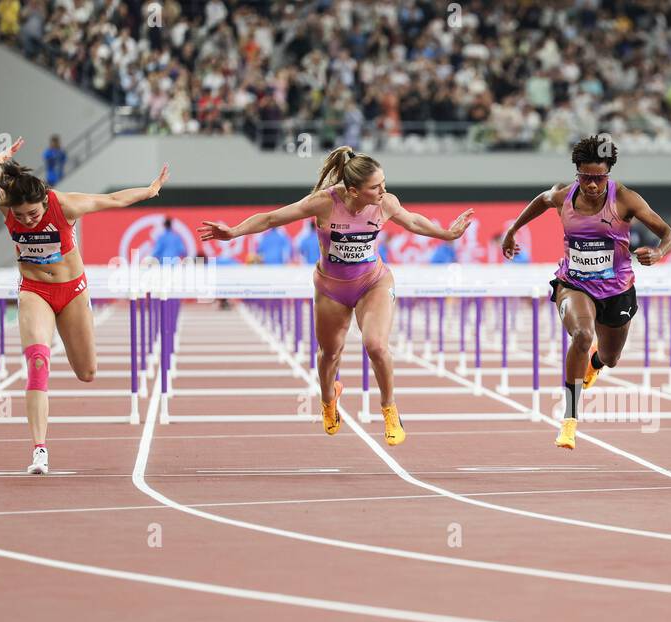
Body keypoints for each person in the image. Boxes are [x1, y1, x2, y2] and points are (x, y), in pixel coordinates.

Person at [198, 146, 472, 445]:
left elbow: (414, 221)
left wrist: (447, 234)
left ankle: (389, 409)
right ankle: (329, 400)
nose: (383, 190)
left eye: (383, 183)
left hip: (373, 282)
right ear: (353, 190)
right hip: (331, 288)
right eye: (375, 187)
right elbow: (271, 219)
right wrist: (234, 232)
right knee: (330, 353)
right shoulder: (324, 203)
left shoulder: (386, 203)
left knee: (376, 345)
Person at [0, 137, 169, 474]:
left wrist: (149, 191)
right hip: (34, 290)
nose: (28, 221)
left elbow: (113, 199)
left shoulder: (66, 205)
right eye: (21, 216)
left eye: (33, 213)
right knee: (38, 361)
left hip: (72, 291)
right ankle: (39, 450)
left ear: (45, 201)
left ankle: (44, 433)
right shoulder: (5, 204)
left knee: (87, 372)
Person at [500, 135, 671, 450]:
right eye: (585, 177)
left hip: (617, 289)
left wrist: (660, 253)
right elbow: (541, 201)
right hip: (574, 283)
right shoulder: (564, 196)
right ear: (577, 172)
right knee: (581, 335)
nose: (592, 184)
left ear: (608, 174)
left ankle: (595, 362)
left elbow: (668, 234)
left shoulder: (625, 199)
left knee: (611, 357)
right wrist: (513, 231)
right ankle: (569, 419)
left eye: (598, 178)